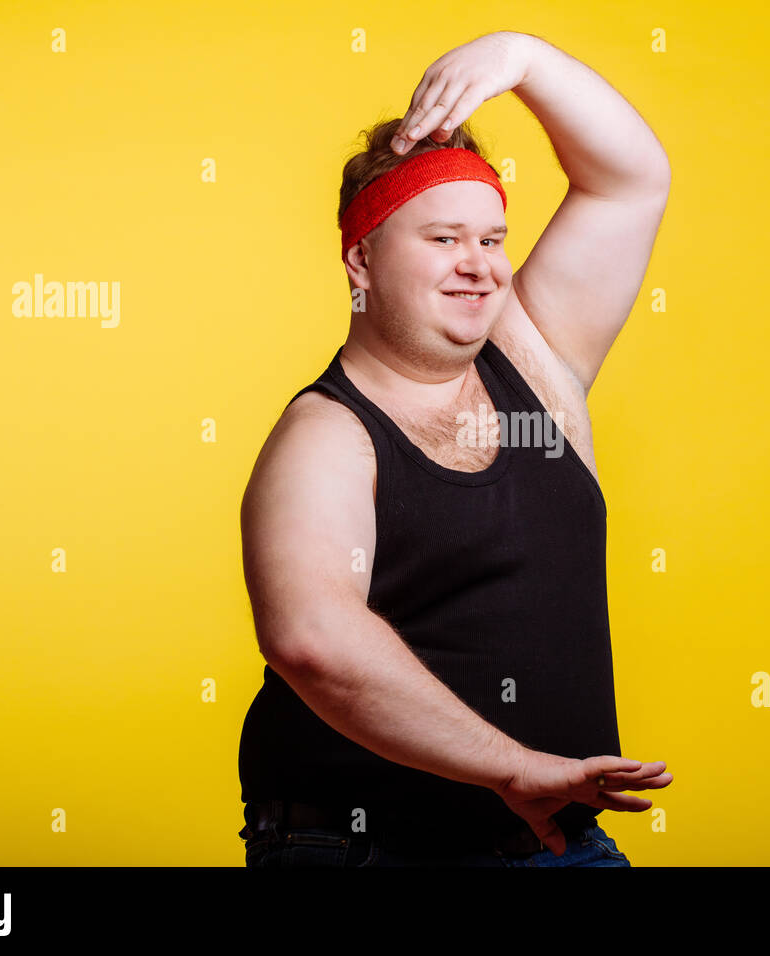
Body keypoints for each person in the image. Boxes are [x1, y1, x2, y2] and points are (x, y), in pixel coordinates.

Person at [237, 31, 672, 867]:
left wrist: (525, 59)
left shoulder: (537, 360)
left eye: (493, 238)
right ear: (361, 260)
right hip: (366, 846)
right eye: (443, 240)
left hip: (552, 839)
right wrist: (513, 767)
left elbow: (630, 183)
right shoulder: (326, 435)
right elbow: (311, 638)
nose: (481, 267)